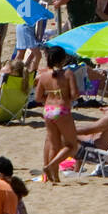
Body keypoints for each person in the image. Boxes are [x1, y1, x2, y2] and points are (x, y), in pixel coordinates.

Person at [33, 46, 79, 182]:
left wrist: (49, 98)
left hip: (48, 110)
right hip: (62, 109)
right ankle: (51, 165)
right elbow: (75, 94)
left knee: (54, 145)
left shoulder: (43, 76)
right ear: (63, 59)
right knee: (71, 145)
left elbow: (37, 98)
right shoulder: (68, 74)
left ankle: (55, 178)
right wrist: (67, 99)